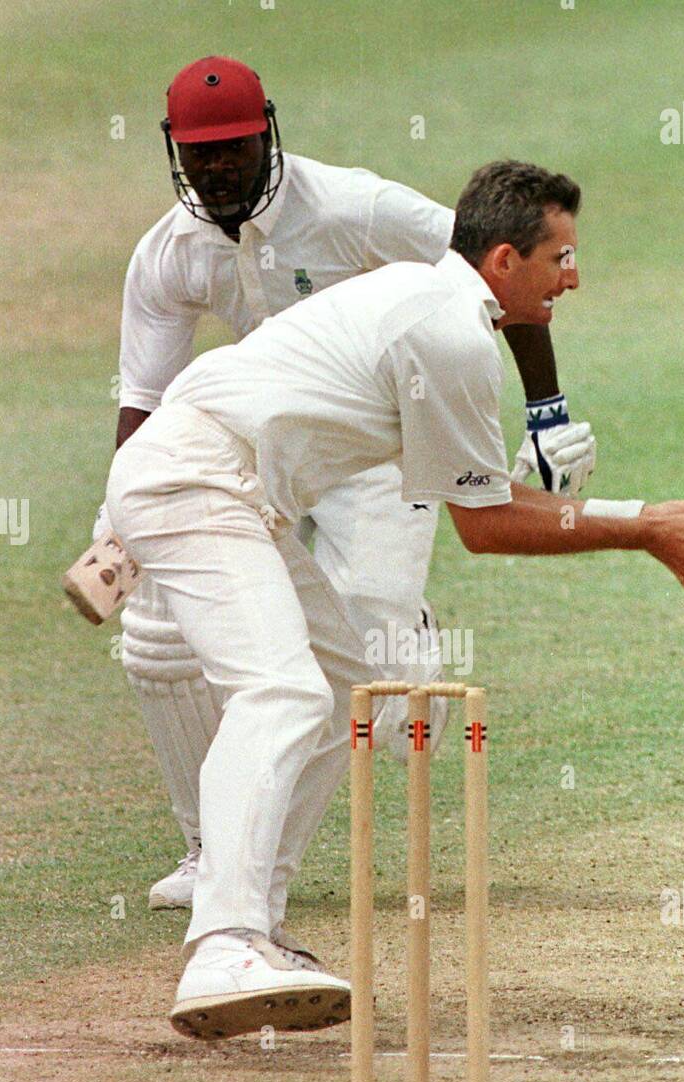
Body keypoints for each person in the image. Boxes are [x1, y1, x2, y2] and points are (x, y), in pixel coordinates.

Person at [105, 159, 684, 1042]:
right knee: (283, 692)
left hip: (228, 489)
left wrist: (634, 517)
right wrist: (639, 530)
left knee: (341, 688)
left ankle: (255, 924)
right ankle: (225, 941)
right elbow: (485, 529)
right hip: (195, 483)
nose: (574, 276)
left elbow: (485, 504)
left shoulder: (435, 305)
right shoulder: (445, 334)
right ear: (501, 261)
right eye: (559, 257)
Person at [105, 55, 596, 913]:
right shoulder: (166, 255)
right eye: (201, 153)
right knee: (155, 637)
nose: (219, 168)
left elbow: (501, 278)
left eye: (236, 148)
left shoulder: (355, 206)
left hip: (384, 453)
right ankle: (204, 851)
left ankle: (399, 631)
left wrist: (546, 410)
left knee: (378, 677)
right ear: (174, 151)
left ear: (269, 133)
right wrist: (119, 523)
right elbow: (143, 397)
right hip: (251, 457)